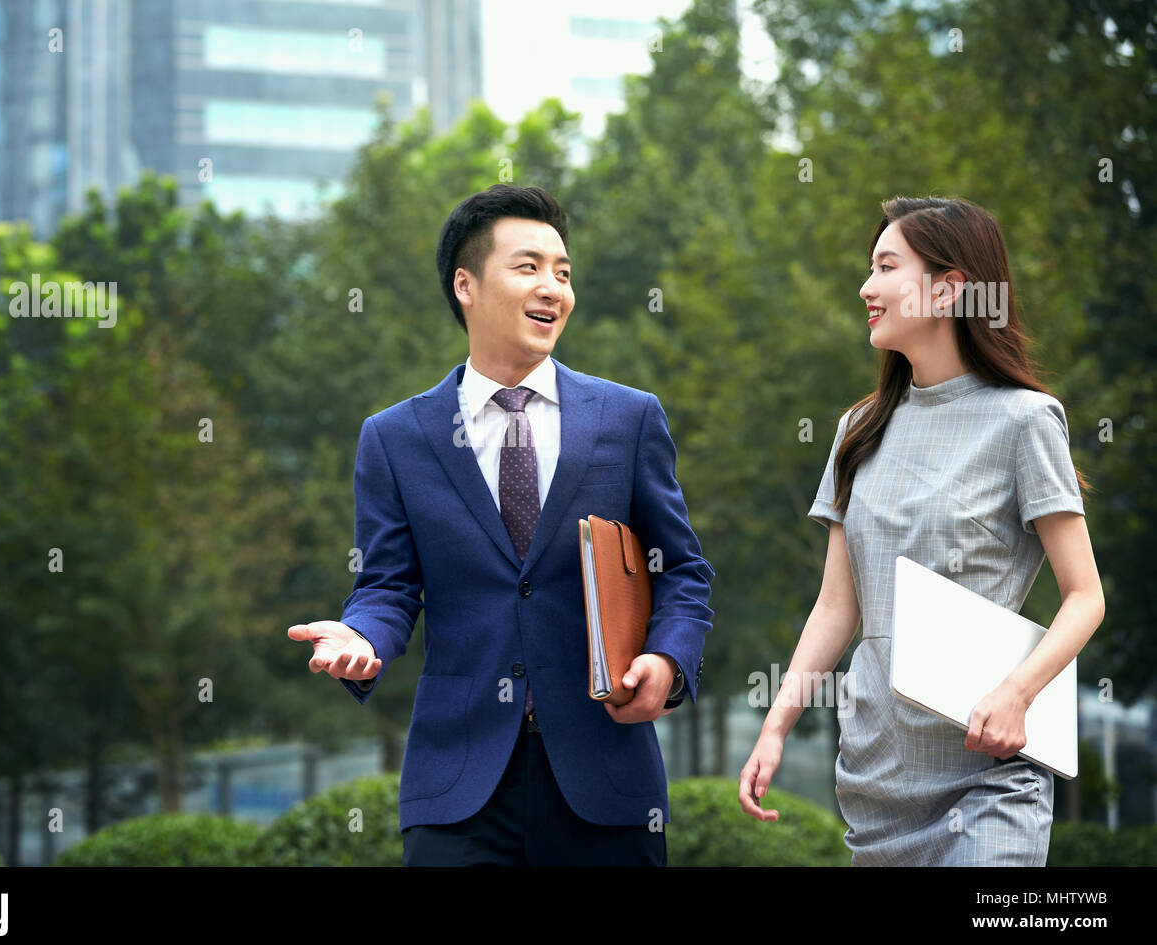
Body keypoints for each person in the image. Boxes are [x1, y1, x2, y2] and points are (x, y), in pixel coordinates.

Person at [289, 184, 714, 866]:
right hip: (457, 790)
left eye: (563, 272)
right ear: (467, 284)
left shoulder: (628, 419)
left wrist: (667, 659)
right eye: (528, 266)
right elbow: (389, 587)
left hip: (605, 781)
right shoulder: (397, 438)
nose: (553, 287)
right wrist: (361, 634)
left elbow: (684, 572)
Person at [738, 196, 1105, 866]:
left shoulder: (1025, 421)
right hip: (877, 781)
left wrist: (1017, 692)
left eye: (885, 266)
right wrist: (775, 727)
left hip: (990, 772)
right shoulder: (859, 430)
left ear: (948, 287)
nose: (865, 287)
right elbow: (836, 606)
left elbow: (1086, 596)